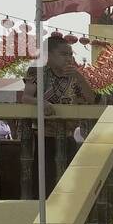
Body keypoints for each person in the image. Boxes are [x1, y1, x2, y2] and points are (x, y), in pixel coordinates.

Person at [21, 34, 99, 192]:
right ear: (48, 55)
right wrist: (42, 102)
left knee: (69, 183)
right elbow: (26, 97)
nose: (69, 58)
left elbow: (91, 99)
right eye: (63, 54)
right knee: (46, 182)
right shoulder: (37, 71)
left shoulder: (74, 76)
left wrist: (79, 76)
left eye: (70, 54)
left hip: (68, 136)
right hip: (45, 137)